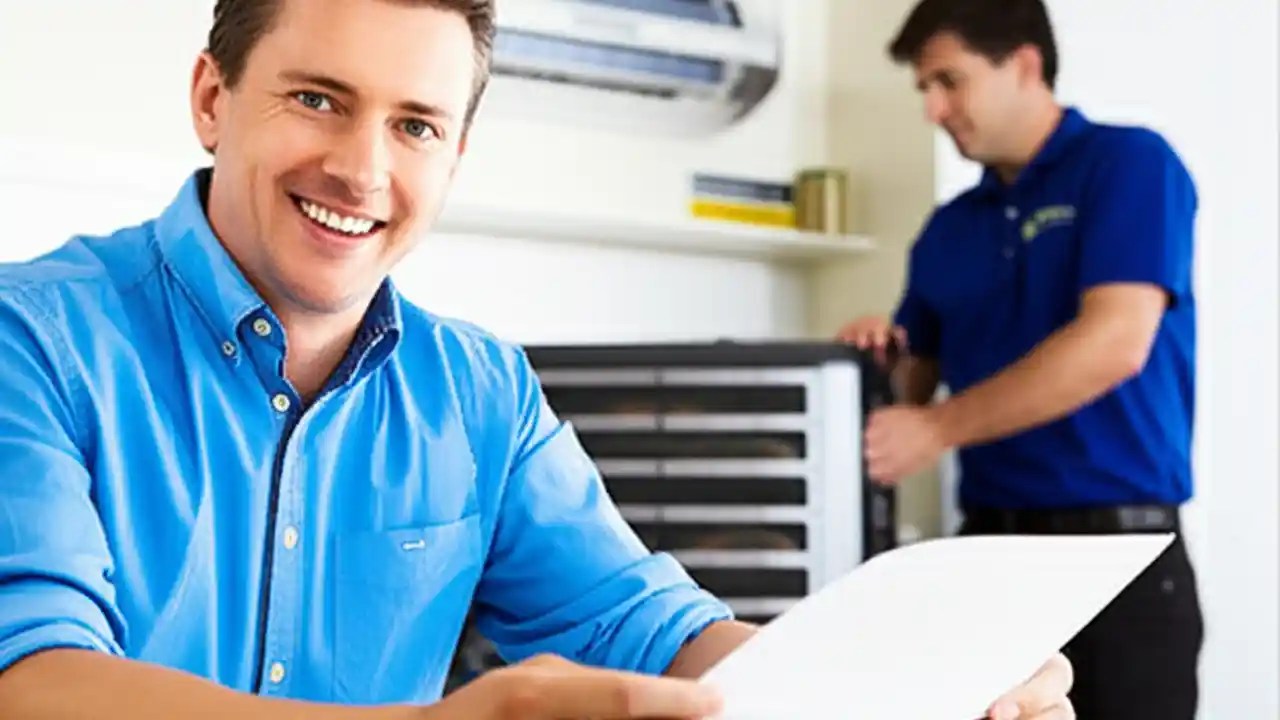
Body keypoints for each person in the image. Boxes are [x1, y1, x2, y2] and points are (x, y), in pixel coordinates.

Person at [0, 0, 1072, 718]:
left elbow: (642, 626)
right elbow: (33, 680)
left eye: (415, 125)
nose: (362, 168)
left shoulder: (480, 393)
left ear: (454, 155)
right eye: (317, 98)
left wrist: (905, 690)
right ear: (210, 99)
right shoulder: (34, 337)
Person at [838, 1, 1203, 718]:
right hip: (987, 563)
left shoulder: (1129, 165)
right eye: (924, 89)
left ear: (1024, 64)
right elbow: (913, 387)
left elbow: (1115, 342)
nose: (933, 109)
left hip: (1119, 562)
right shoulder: (949, 228)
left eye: (949, 80)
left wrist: (937, 430)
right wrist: (878, 354)